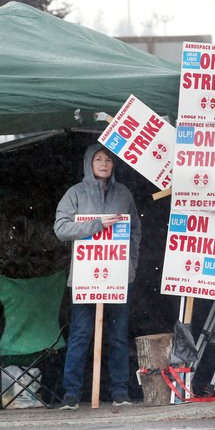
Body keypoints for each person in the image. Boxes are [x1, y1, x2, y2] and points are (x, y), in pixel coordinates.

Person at [54, 144, 141, 409]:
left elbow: (135, 230)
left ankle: (120, 392)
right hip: (85, 277)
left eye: (109, 159)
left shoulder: (123, 193)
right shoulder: (75, 194)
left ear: (114, 165)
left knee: (117, 335)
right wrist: (95, 225)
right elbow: (61, 228)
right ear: (88, 163)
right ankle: (71, 394)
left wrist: (131, 266)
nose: (104, 164)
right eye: (98, 159)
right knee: (80, 333)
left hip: (116, 276)